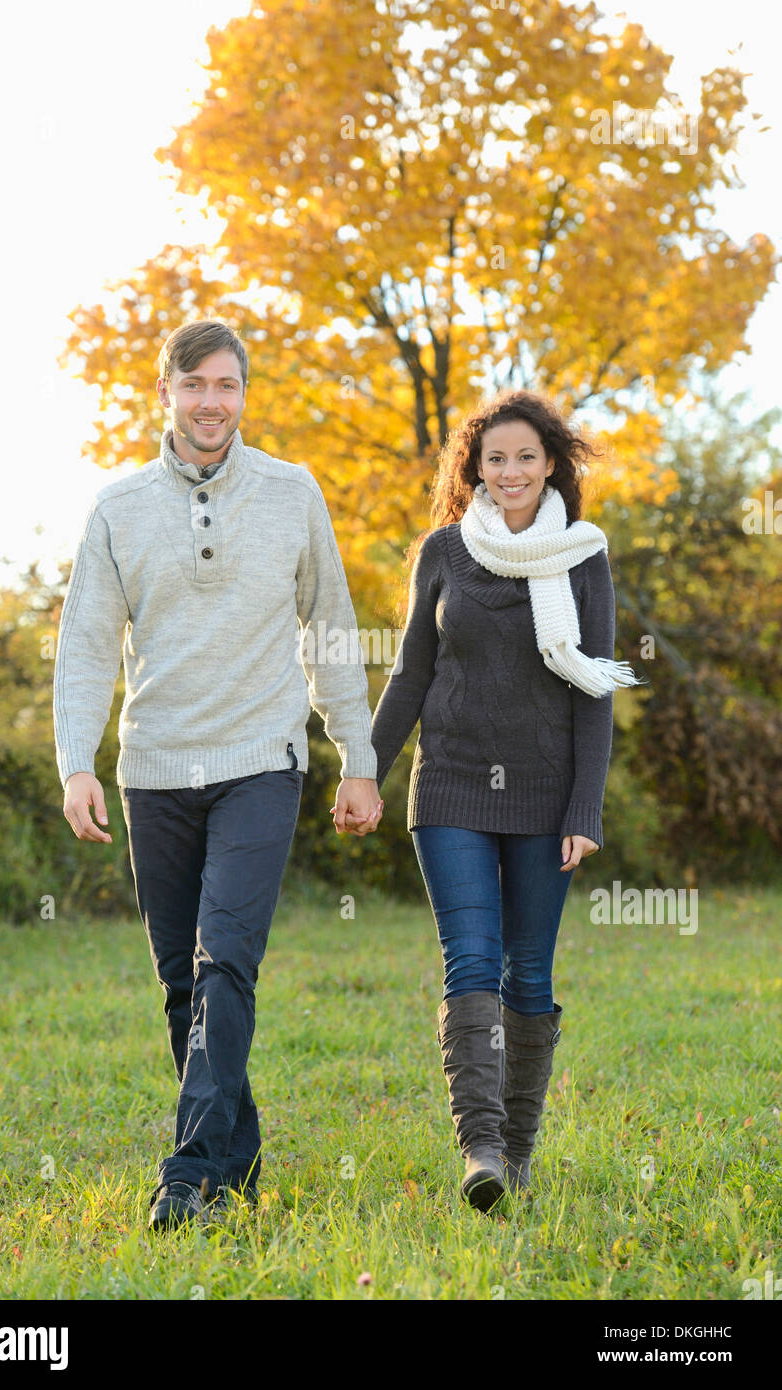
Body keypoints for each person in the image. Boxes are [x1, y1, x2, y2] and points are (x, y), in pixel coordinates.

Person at [54, 320, 383, 1232]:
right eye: (195, 384)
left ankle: (188, 1174)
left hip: (258, 764)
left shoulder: (291, 492)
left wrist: (355, 755)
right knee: (180, 987)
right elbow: (84, 646)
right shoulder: (118, 509)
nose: (211, 402)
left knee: (224, 962)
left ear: (245, 395)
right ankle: (234, 1165)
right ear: (165, 392)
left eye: (227, 385)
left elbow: (330, 627)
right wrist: (76, 760)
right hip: (153, 769)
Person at [359, 390, 642, 1214]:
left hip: (546, 792)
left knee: (529, 970)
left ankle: (517, 1155)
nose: (510, 472)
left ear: (549, 463)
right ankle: (478, 1147)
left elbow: (593, 692)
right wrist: (365, 772)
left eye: (524, 457)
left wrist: (583, 812)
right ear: (473, 469)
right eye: (494, 459)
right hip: (447, 784)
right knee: (471, 959)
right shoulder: (445, 551)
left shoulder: (582, 557)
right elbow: (411, 671)